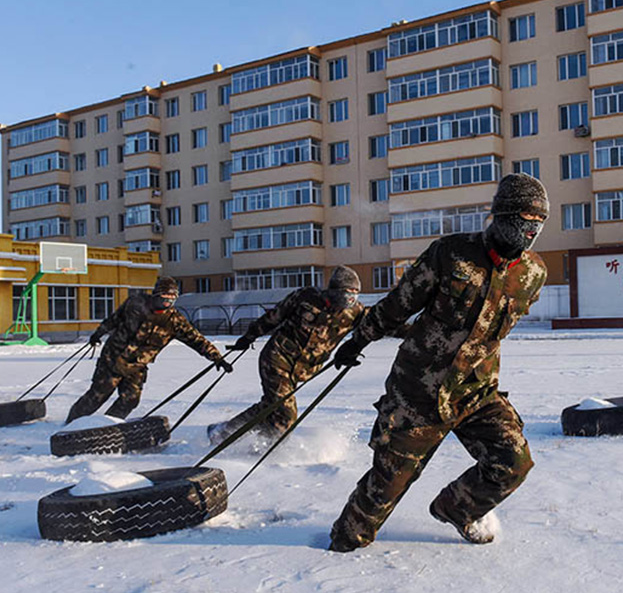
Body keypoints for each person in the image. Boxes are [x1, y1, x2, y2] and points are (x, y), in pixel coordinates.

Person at [327, 173, 549, 552]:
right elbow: (399, 305)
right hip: (419, 391)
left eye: (539, 225)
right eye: (524, 222)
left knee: (512, 462)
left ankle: (455, 508)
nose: (531, 233)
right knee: (386, 486)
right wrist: (358, 339)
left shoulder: (533, 274)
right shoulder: (451, 253)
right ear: (501, 216)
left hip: (475, 391)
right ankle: (340, 546)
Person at [206, 266, 365, 445]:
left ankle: (225, 432)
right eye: (347, 291)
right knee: (286, 415)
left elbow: (379, 324)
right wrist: (249, 336)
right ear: (334, 290)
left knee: (270, 407)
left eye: (355, 292)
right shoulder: (306, 297)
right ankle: (266, 450)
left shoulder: (355, 312)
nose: (351, 296)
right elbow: (274, 317)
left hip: (302, 369)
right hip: (277, 359)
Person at [65, 277, 232, 423]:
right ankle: (72, 424)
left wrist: (218, 358)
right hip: (112, 359)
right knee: (97, 397)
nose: (166, 303)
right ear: (155, 295)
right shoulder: (135, 303)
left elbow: (197, 340)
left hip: (136, 366)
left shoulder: (175, 321)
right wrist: (98, 334)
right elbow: (115, 319)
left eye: (171, 300)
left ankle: (105, 425)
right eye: (164, 299)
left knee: (130, 400)